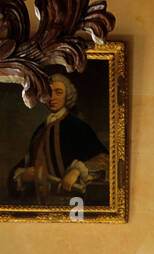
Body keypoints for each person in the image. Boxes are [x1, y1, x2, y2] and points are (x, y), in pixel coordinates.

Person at [7, 74, 108, 203]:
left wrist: (77, 171)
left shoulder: (78, 127)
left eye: (58, 92)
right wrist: (23, 176)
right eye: (48, 93)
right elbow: (28, 162)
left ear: (67, 96)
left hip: (74, 202)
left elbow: (104, 159)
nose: (52, 97)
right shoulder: (40, 131)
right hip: (43, 204)